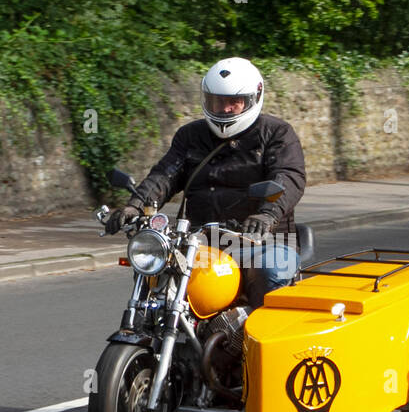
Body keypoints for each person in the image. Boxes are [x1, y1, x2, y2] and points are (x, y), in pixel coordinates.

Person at [104, 57, 306, 306]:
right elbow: (165, 175)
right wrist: (136, 205)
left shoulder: (276, 133)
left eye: (235, 101)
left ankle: (257, 338)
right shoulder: (191, 136)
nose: (226, 108)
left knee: (270, 271)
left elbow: (289, 175)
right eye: (218, 101)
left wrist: (268, 214)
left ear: (253, 98)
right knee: (159, 272)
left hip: (265, 242)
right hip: (200, 243)